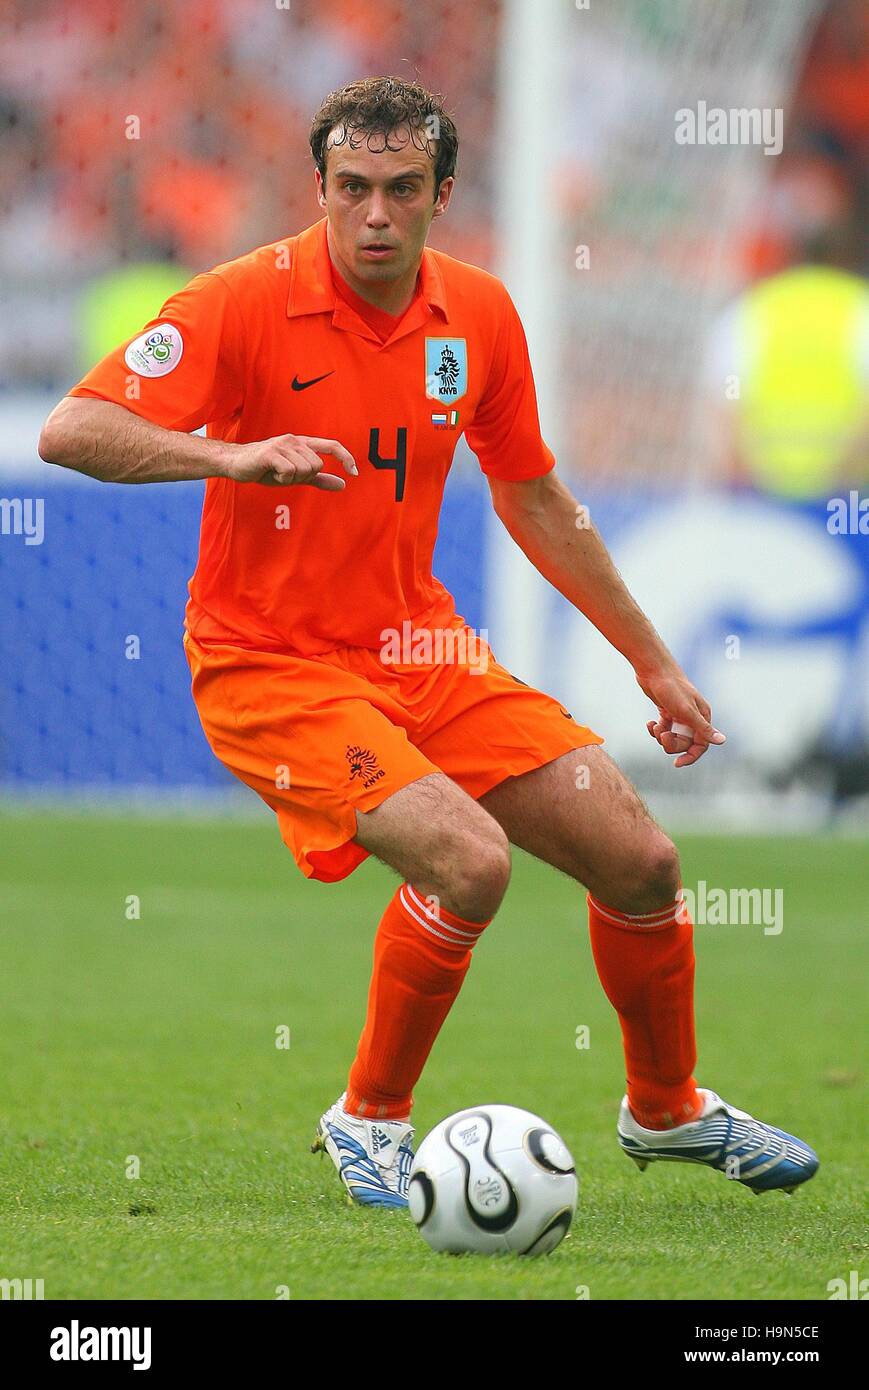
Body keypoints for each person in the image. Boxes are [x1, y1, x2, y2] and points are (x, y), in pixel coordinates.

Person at [39, 77, 818, 1208]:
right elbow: (73, 430)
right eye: (350, 188)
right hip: (269, 663)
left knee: (641, 859)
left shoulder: (479, 318)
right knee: (469, 861)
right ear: (320, 187)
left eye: (401, 190)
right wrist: (230, 457)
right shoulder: (241, 301)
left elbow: (535, 496)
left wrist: (651, 660)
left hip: (421, 651)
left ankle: (664, 1109)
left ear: (441, 195)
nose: (372, 214)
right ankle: (368, 1116)